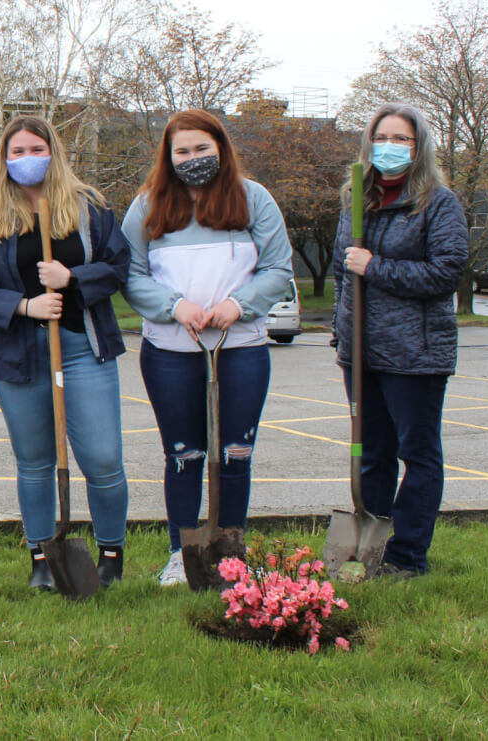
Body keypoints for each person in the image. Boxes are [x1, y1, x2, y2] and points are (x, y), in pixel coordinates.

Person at [0, 115, 132, 590]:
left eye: (36, 149)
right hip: (18, 354)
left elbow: (119, 266)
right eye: (17, 152)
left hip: (82, 348)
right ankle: (41, 558)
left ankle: (111, 555)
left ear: (53, 152)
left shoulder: (88, 208)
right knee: (34, 460)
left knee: (102, 457)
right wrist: (25, 304)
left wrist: (73, 278)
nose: (27, 159)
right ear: (4, 159)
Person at [120, 109, 293, 587]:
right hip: (171, 352)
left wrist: (241, 304)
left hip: (240, 349)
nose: (192, 158)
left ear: (220, 147)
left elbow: (279, 268)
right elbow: (129, 274)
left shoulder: (253, 199)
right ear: (168, 156)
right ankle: (183, 553)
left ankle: (231, 554)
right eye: (182, 151)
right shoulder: (148, 205)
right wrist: (174, 306)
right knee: (184, 455)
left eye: (202, 148)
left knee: (236, 452)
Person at [333, 103, 467, 579]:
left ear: (419, 147)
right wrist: (340, 335)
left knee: (418, 455)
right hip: (362, 355)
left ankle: (407, 556)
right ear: (369, 145)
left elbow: (446, 272)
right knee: (372, 456)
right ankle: (369, 550)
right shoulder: (356, 199)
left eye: (402, 140)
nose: (390, 148)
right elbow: (340, 274)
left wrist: (377, 268)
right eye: (382, 138)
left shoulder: (438, 203)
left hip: (415, 355)